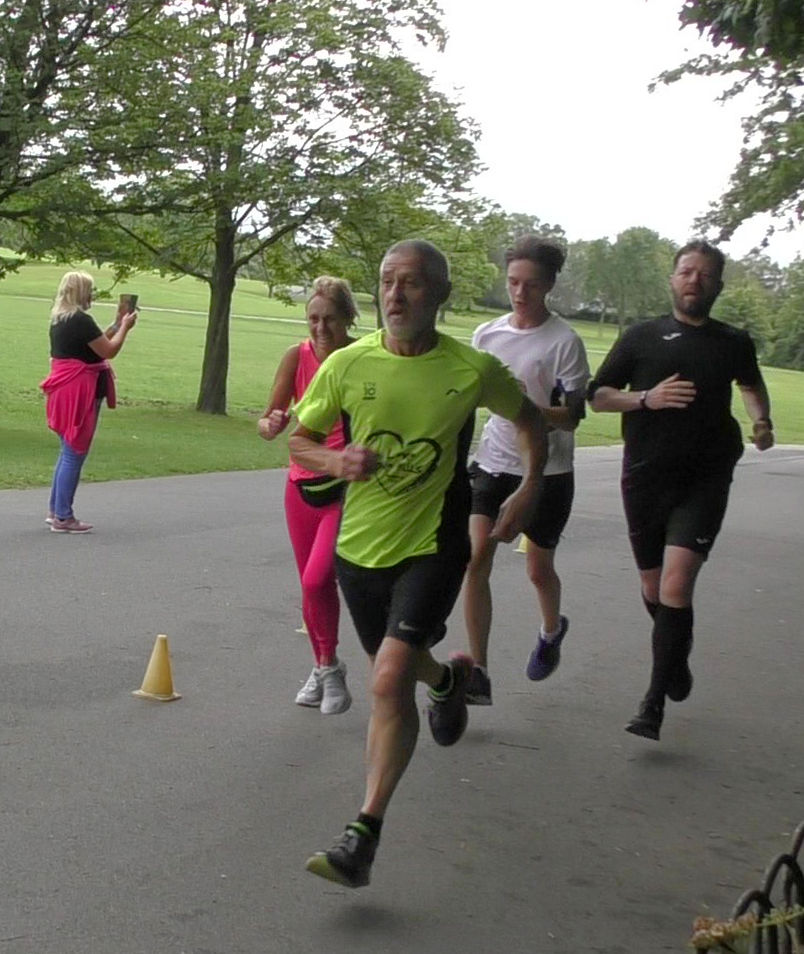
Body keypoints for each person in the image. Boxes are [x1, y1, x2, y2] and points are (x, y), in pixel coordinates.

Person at [288, 239, 548, 887]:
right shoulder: (346, 365)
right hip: (359, 550)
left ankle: (362, 835)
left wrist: (529, 487)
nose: (395, 296)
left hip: (433, 544)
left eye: (411, 283)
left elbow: (531, 422)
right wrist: (335, 462)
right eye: (386, 282)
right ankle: (447, 681)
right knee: (397, 675)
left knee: (384, 681)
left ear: (438, 295)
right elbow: (300, 439)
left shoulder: (470, 368)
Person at [587, 240, 774, 741]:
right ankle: (676, 656)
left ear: (717, 286)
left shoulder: (734, 340)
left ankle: (652, 703)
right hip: (646, 477)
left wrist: (762, 422)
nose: (694, 280)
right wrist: (647, 398)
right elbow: (599, 397)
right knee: (655, 588)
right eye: (686, 271)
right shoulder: (642, 337)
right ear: (672, 279)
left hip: (706, 475)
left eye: (705, 274)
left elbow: (751, 386)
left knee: (675, 583)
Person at [463, 236, 590, 704]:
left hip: (548, 470)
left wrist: (525, 409)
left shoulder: (564, 342)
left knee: (538, 568)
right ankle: (478, 670)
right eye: (513, 282)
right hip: (494, 461)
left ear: (550, 285)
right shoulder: (487, 335)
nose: (520, 293)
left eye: (531, 285)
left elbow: (573, 416)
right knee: (476, 558)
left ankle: (552, 629)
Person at [257, 276, 359, 716]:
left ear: (348, 319)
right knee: (307, 584)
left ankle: (329, 669)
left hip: (346, 487)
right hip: (301, 484)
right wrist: (272, 424)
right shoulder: (294, 357)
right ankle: (324, 666)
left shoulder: (362, 357)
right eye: (313, 319)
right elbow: (268, 420)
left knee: (320, 578)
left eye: (330, 320)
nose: (320, 329)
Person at [40, 271, 138, 533]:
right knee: (74, 452)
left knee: (67, 451)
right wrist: (126, 329)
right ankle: (63, 517)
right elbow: (109, 350)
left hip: (63, 390)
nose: (93, 295)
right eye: (91, 290)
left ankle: (56, 510)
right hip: (79, 391)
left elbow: (97, 342)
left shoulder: (60, 318)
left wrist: (117, 324)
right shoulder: (81, 320)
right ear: (81, 292)